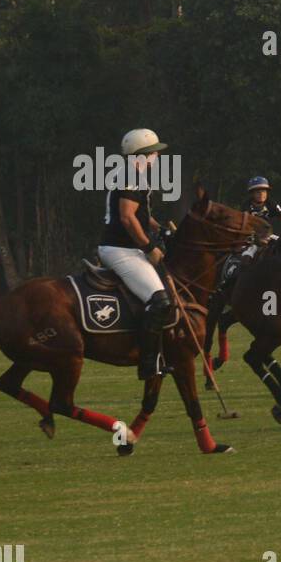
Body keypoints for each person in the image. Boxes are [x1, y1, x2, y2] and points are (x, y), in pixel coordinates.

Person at [97, 127, 174, 379]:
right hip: (120, 249)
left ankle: (160, 354)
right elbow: (128, 218)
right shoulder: (131, 173)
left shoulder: (134, 173)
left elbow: (143, 216)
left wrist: (160, 229)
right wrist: (149, 247)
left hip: (126, 248)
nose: (157, 157)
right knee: (159, 300)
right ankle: (148, 363)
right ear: (143, 154)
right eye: (154, 152)